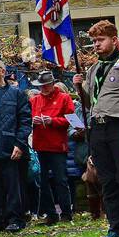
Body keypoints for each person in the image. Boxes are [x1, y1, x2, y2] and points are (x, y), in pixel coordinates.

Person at [73, 21, 119, 237]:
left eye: (100, 40)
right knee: (107, 179)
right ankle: (115, 226)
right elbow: (89, 103)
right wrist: (79, 88)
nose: (96, 44)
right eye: (94, 41)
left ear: (114, 40)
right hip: (98, 127)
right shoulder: (94, 69)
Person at [0, 58, 32, 234]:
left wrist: (20, 144)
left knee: (11, 186)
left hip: (8, 146)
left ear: (3, 71)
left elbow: (25, 121)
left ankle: (15, 219)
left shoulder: (16, 94)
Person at [30, 70, 76, 225]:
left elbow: (71, 120)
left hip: (57, 145)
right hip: (40, 144)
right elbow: (26, 117)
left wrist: (53, 121)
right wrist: (33, 121)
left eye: (45, 85)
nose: (43, 88)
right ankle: (50, 213)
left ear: (52, 84)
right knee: (42, 181)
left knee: (60, 180)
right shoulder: (35, 100)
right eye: (41, 86)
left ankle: (66, 213)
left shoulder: (64, 98)